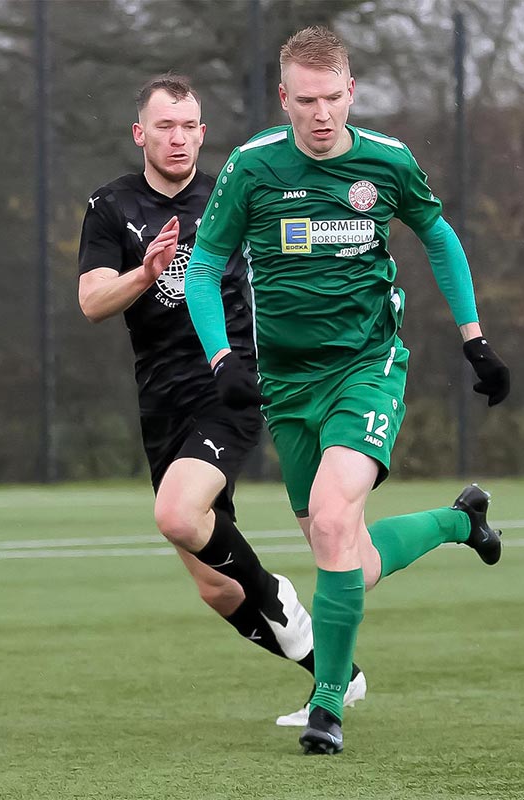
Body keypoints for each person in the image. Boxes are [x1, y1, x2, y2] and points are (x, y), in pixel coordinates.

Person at [185, 27, 511, 755]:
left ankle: (327, 703)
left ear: (351, 92)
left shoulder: (386, 163)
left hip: (367, 367)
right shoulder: (252, 168)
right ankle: (461, 522)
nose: (322, 113)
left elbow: (439, 236)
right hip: (285, 385)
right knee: (349, 558)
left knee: (333, 522)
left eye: (333, 97)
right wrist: (220, 358)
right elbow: (204, 267)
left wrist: (474, 338)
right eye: (307, 100)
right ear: (284, 99)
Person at [76, 74, 365, 727]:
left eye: (188, 127)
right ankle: (335, 676)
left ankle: (280, 599)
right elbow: (92, 302)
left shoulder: (234, 195)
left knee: (178, 516)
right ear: (140, 133)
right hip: (161, 402)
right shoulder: (110, 206)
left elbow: (293, 260)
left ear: (202, 134)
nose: (177, 139)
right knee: (213, 586)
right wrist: (144, 275)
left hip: (228, 385)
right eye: (164, 127)